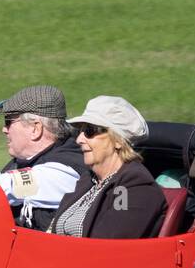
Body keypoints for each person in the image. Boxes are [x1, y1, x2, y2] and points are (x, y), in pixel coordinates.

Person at [47, 96, 166, 239]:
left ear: (118, 141)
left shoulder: (130, 187)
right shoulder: (89, 180)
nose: (79, 139)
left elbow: (109, 244)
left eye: (90, 131)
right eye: (80, 131)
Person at [0, 85, 88, 230]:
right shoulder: (32, 158)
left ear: (35, 128)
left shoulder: (60, 171)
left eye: (9, 122)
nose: (4, 129)